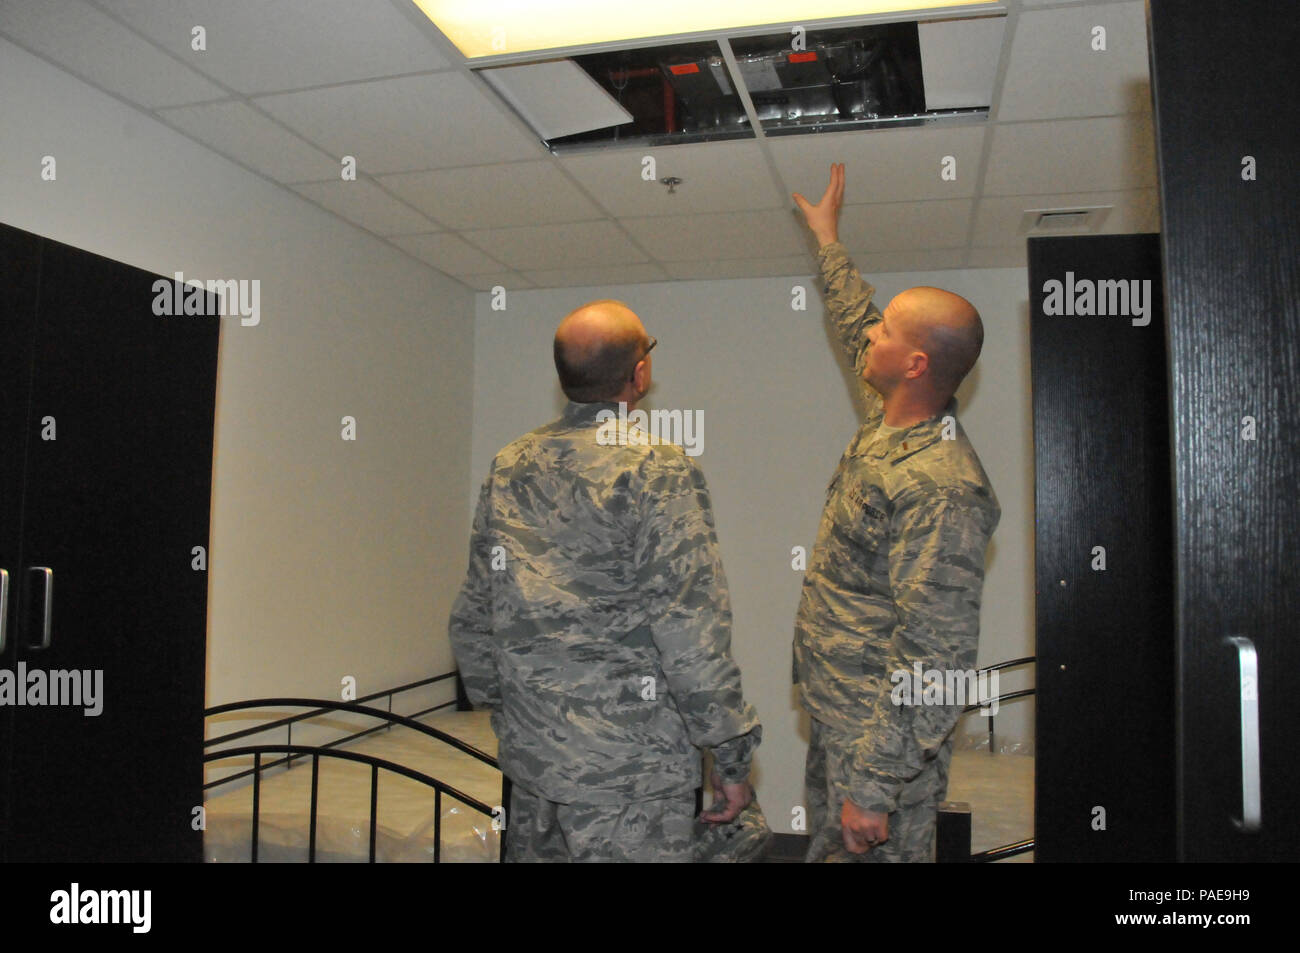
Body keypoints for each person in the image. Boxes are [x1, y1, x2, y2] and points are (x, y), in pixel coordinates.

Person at [449, 299, 761, 863]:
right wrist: (732, 759)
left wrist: (515, 716)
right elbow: (691, 632)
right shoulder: (658, 468)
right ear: (639, 374)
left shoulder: (510, 464)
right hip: (633, 778)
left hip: (536, 767)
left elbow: (474, 614)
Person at [790, 163, 1000, 862]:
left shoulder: (943, 484)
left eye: (886, 330)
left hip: (881, 749)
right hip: (840, 717)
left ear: (914, 365)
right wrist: (828, 240)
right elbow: (855, 321)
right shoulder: (895, 419)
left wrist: (875, 786)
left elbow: (936, 658)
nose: (868, 335)